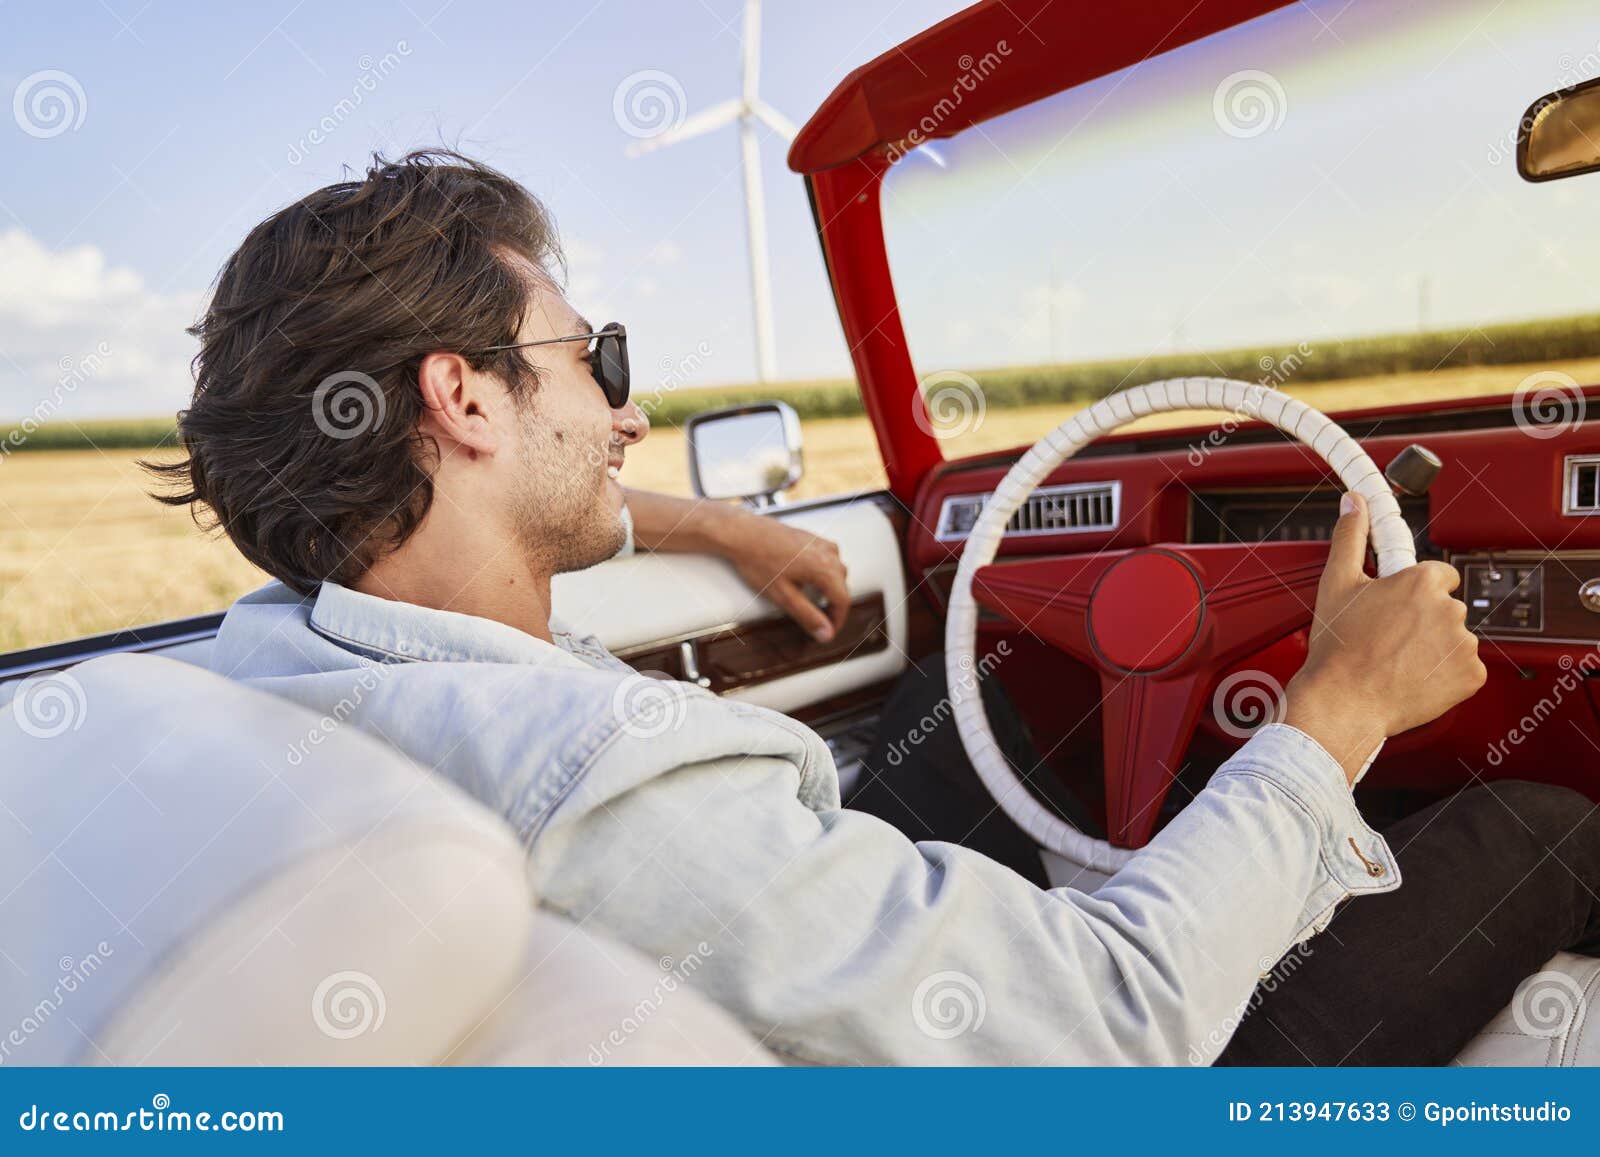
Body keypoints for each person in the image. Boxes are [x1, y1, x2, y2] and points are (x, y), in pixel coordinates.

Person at [153, 150, 1600, 1065]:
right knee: (1545, 822)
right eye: (597, 358)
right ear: (460, 397)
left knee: (955, 724)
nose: (634, 412)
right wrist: (1336, 710)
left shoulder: (284, 649)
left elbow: (464, 527)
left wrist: (704, 519)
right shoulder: (605, 792)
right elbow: (1106, 1026)